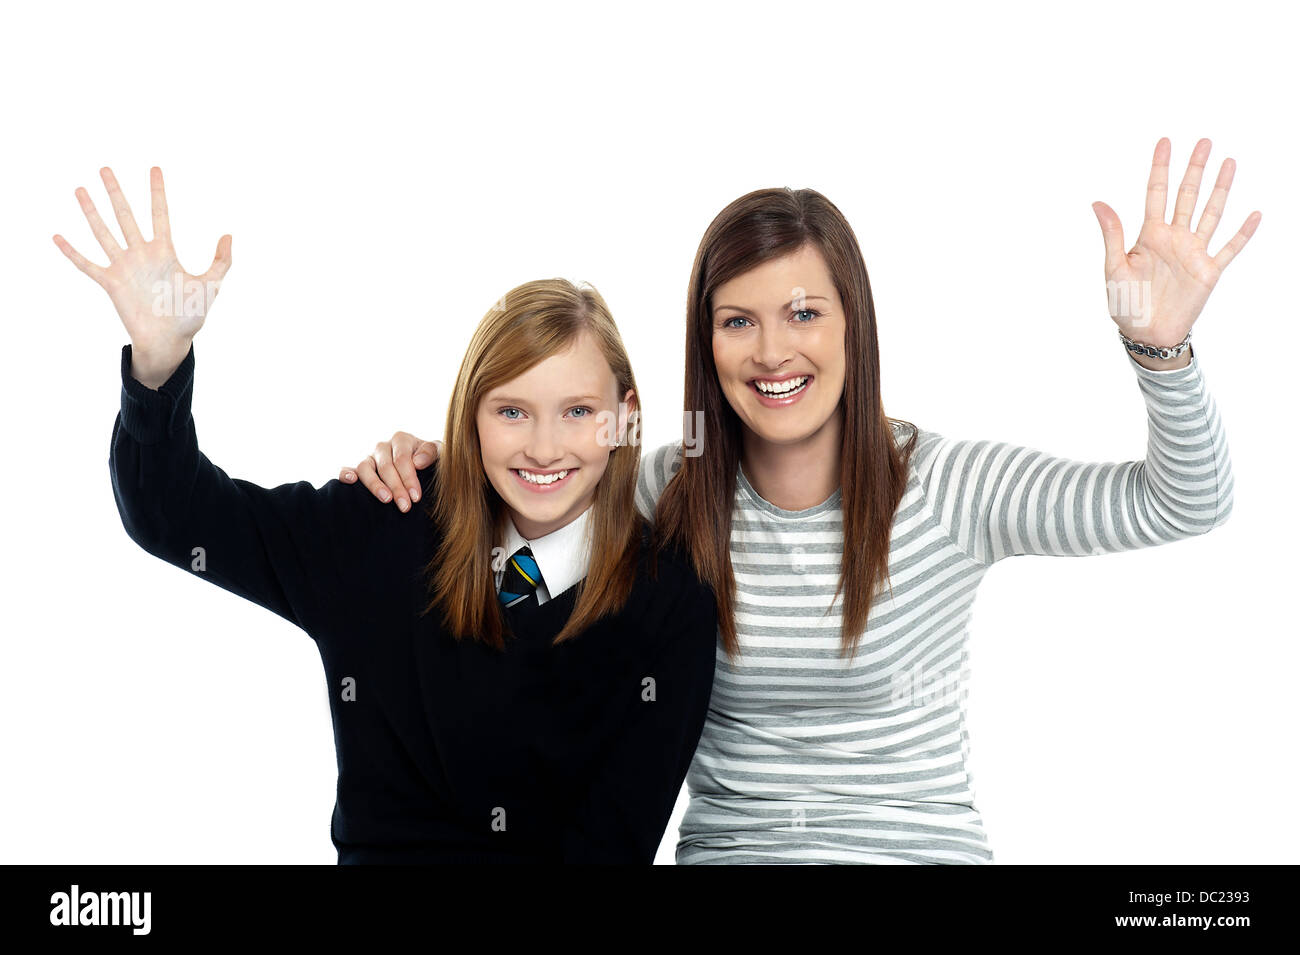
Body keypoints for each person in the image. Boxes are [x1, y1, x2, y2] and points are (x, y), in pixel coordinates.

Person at [341, 137, 1256, 863]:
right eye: (739, 320)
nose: (772, 352)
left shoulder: (947, 488)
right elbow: (530, 503)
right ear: (707, 343)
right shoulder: (663, 486)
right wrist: (425, 469)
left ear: (853, 320)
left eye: (805, 313)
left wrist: (1160, 350)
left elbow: (1186, 502)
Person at [55, 167, 718, 864]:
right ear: (471, 418)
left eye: (578, 412)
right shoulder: (387, 522)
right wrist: (161, 366)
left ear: (625, 416)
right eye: (512, 411)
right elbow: (174, 517)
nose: (545, 447)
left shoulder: (669, 600)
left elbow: (613, 847)